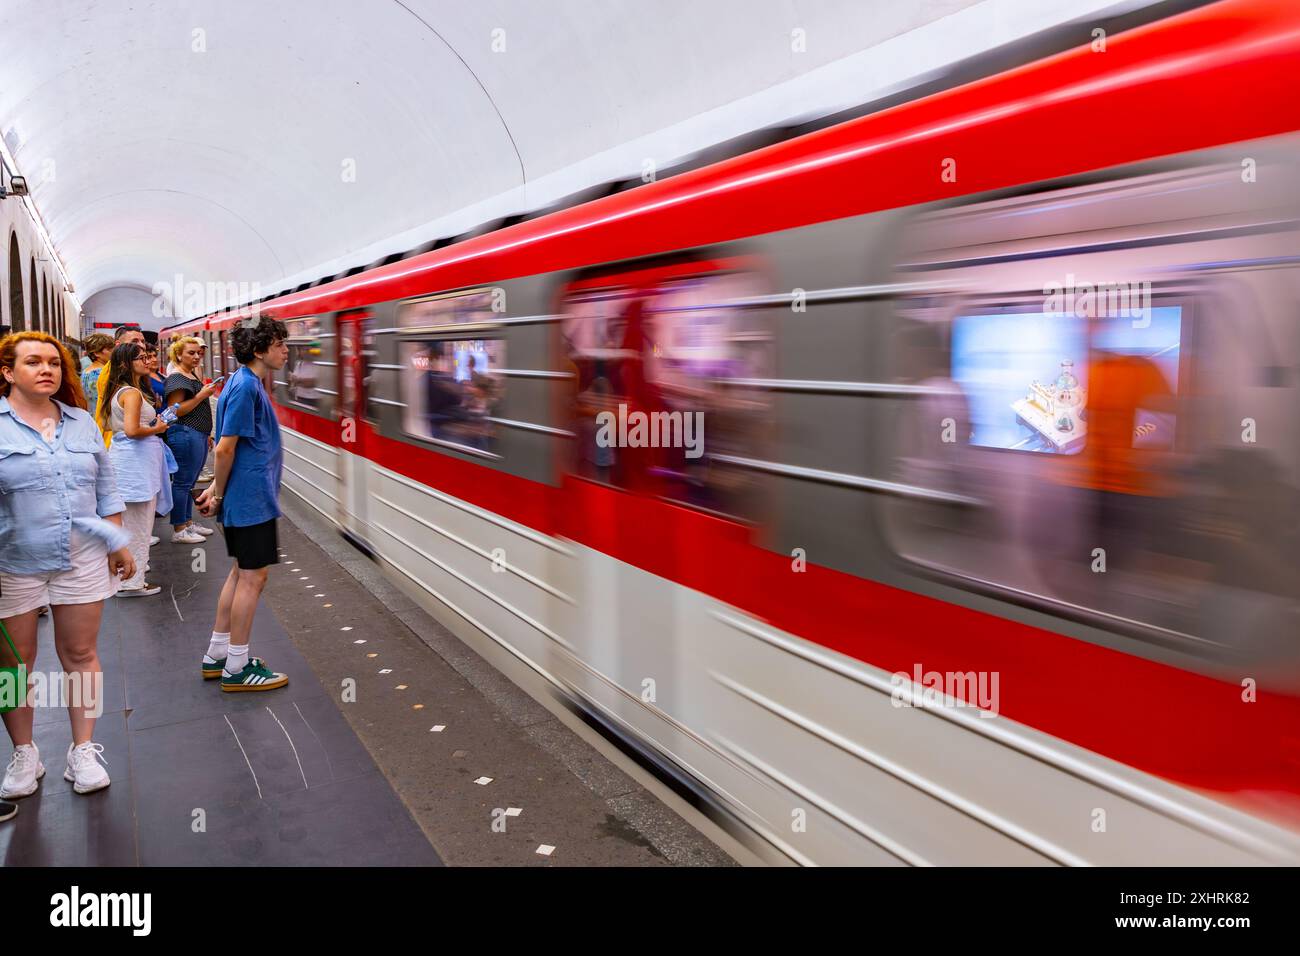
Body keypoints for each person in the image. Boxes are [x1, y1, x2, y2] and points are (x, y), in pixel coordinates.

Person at [0, 331, 134, 800]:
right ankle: (24, 752)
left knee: (81, 655)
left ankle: (82, 748)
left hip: (82, 559)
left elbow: (106, 489)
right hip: (14, 563)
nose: (47, 370)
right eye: (33, 362)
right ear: (7, 372)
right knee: (13, 666)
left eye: (54, 363)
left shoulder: (80, 423)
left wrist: (117, 541)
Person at [195, 317, 290, 691]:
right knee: (254, 577)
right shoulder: (247, 387)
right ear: (259, 350)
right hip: (250, 499)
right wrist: (218, 494)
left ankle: (218, 655)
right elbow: (225, 446)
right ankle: (237, 667)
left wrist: (216, 490)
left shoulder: (243, 382)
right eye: (279, 344)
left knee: (239, 573)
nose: (285, 350)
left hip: (247, 495)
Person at [98, 342, 172, 597]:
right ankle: (132, 582)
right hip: (135, 465)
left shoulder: (119, 391)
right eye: (139, 357)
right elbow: (132, 431)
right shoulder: (131, 393)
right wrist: (157, 428)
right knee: (139, 526)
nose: (146, 360)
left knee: (130, 523)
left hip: (128, 462)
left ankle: (126, 576)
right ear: (124, 363)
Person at [163, 336, 218, 543]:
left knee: (190, 481)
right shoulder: (177, 378)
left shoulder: (190, 374)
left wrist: (207, 434)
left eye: (198, 353)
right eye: (191, 353)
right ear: (178, 355)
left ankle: (187, 523)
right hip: (185, 433)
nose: (197, 356)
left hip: (196, 433)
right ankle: (179, 529)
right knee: (182, 483)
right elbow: (174, 411)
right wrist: (202, 395)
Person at [96, 326, 145, 445]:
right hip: (114, 440)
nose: (142, 345)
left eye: (142, 341)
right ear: (118, 344)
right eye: (135, 341)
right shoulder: (111, 371)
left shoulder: (123, 369)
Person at [79, 333, 113, 403]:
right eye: (109, 349)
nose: (112, 352)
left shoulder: (85, 371)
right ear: (96, 353)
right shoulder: (104, 372)